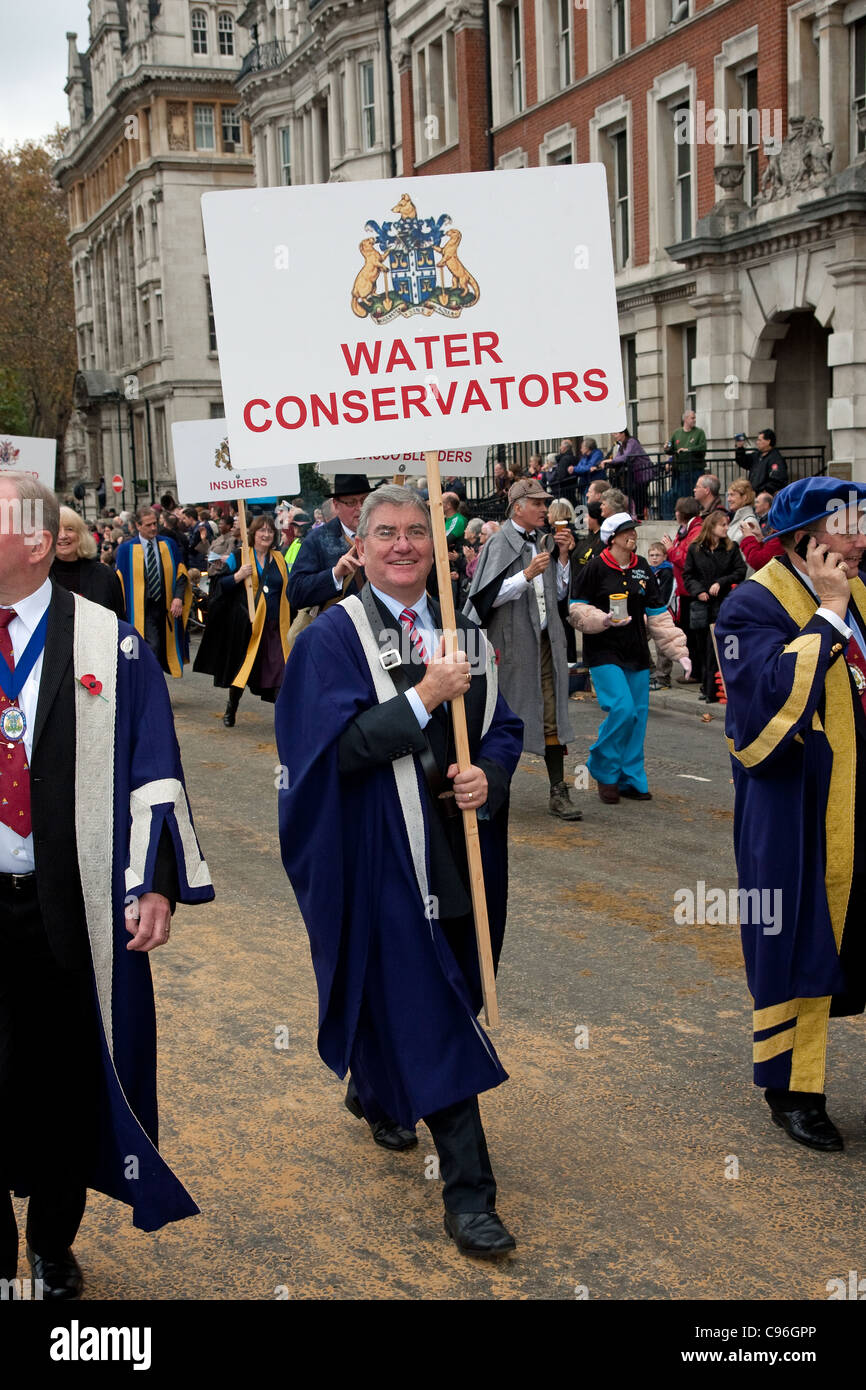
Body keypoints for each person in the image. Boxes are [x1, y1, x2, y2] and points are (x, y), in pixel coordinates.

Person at [276, 485, 523, 1257]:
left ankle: (378, 1085)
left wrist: (489, 772)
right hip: (381, 849)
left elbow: (506, 725)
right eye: (386, 533)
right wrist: (423, 697)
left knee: (447, 975)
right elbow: (335, 754)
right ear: (360, 543)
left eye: (419, 531)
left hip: (461, 847)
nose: (405, 545)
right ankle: (470, 1195)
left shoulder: (464, 628)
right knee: (435, 1003)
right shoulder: (330, 639)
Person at [0, 473, 213, 1298]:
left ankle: (53, 1246)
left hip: (68, 908)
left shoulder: (109, 644)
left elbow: (153, 769)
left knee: (60, 1082)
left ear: (28, 539)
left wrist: (154, 884)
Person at [716, 477, 866, 1150]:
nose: (860, 538)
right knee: (796, 940)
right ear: (808, 540)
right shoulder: (749, 606)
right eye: (847, 526)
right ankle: (794, 1091)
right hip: (794, 809)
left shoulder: (862, 593)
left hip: (859, 800)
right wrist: (828, 617)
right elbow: (759, 715)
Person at [465, 478, 582, 821]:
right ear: (518, 507)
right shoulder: (499, 542)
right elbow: (485, 599)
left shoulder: (544, 540)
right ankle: (493, 789)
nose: (545, 509)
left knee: (551, 713)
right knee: (503, 716)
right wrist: (526, 575)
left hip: (545, 643)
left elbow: (559, 595)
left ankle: (558, 791)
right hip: (510, 646)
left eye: (545, 503)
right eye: (538, 503)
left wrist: (562, 559)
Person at [569, 513, 690, 802]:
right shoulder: (596, 567)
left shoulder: (643, 568)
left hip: (636, 652)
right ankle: (604, 769)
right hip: (603, 651)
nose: (633, 536)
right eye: (627, 532)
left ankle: (630, 777)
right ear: (613, 538)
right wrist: (603, 620)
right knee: (622, 709)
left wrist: (679, 652)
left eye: (634, 531)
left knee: (637, 718)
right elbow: (576, 609)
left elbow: (658, 614)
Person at [194, 514, 291, 727]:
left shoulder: (279, 560)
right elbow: (219, 584)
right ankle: (232, 706)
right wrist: (238, 575)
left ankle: (284, 718)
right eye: (261, 531)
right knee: (242, 670)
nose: (266, 534)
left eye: (269, 531)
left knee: (279, 669)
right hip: (246, 626)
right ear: (253, 534)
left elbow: (288, 589)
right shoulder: (239, 557)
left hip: (274, 626)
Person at [114, 508, 191, 678]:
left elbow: (181, 573)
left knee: (165, 649)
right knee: (151, 646)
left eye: (155, 523)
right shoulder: (126, 550)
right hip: (141, 608)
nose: (153, 528)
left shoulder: (168, 544)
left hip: (166, 606)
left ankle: (155, 687)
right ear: (138, 526)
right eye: (148, 525)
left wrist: (178, 597)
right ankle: (152, 689)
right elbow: (119, 582)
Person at [683, 511, 746, 703]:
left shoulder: (731, 548)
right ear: (712, 527)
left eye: (727, 525)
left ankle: (712, 688)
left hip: (723, 602)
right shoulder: (695, 549)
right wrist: (698, 591)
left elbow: (740, 571)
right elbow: (688, 575)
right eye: (723, 525)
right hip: (701, 603)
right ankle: (705, 685)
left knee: (715, 646)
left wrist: (721, 581)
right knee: (702, 645)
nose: (726, 528)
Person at [286, 475, 372, 615]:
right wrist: (335, 574)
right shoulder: (317, 539)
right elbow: (295, 593)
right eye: (351, 502)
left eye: (364, 500)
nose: (360, 507)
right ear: (336, 505)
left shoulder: (386, 532)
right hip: (339, 631)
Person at [52, 506, 125, 618]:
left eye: (69, 529)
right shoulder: (39, 578)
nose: (63, 536)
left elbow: (118, 620)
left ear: (81, 535)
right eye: (57, 530)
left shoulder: (105, 575)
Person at [663, 497, 703, 686]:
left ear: (682, 513)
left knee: (693, 634)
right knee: (687, 631)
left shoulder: (696, 531)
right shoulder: (688, 529)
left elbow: (688, 559)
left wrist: (671, 550)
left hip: (690, 590)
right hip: (684, 590)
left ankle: (696, 672)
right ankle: (693, 670)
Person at [663, 409, 707, 515]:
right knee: (680, 495)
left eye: (694, 418)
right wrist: (666, 447)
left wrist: (688, 450)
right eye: (692, 418)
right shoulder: (677, 433)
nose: (694, 420)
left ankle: (696, 513)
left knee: (695, 494)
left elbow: (702, 447)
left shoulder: (699, 432)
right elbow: (670, 447)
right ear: (686, 419)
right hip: (680, 471)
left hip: (695, 469)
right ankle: (682, 514)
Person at [603, 429, 655, 518]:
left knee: (640, 496)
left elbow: (625, 457)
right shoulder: (622, 444)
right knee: (635, 495)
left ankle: (641, 515)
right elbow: (619, 457)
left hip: (643, 473)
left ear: (623, 433)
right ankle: (638, 514)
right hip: (636, 475)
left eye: (616, 433)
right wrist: (609, 462)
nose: (613, 435)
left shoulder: (632, 442)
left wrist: (611, 461)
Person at [647, 542, 676, 690]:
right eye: (651, 555)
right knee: (639, 639)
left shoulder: (667, 572)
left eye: (657, 555)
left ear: (664, 557)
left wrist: (658, 608)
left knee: (662, 647)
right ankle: (650, 670)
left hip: (662, 612)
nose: (654, 558)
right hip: (648, 611)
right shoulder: (648, 571)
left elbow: (666, 594)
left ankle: (663, 677)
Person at [748, 429, 788, 495]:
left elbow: (777, 478)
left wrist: (766, 491)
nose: (757, 442)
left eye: (760, 440)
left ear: (768, 441)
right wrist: (740, 449)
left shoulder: (776, 459)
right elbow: (744, 461)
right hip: (756, 494)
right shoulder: (757, 455)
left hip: (765, 496)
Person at [726, 478, 758, 543]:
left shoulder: (749, 522)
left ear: (744, 497)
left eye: (732, 495)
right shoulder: (738, 519)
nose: (728, 499)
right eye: (728, 495)